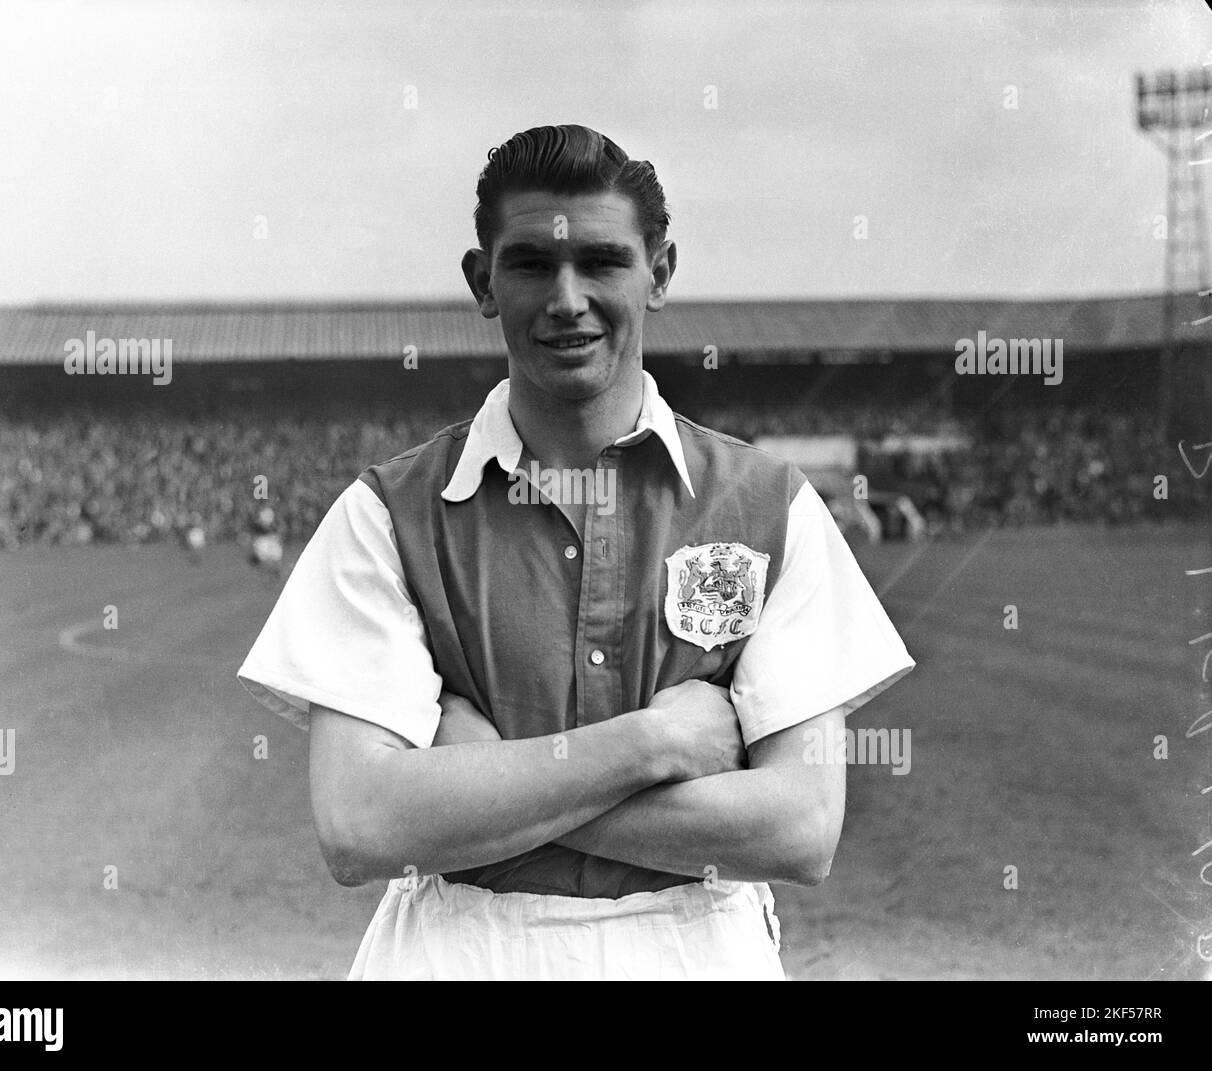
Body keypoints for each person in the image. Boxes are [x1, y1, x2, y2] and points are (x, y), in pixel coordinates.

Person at [237, 124, 915, 980]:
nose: (566, 299)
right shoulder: (386, 513)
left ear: (659, 273)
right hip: (459, 950)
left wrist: (474, 782)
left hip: (695, 950)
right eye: (530, 264)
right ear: (483, 282)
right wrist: (649, 746)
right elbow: (360, 828)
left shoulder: (770, 507)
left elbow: (801, 829)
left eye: (601, 262)